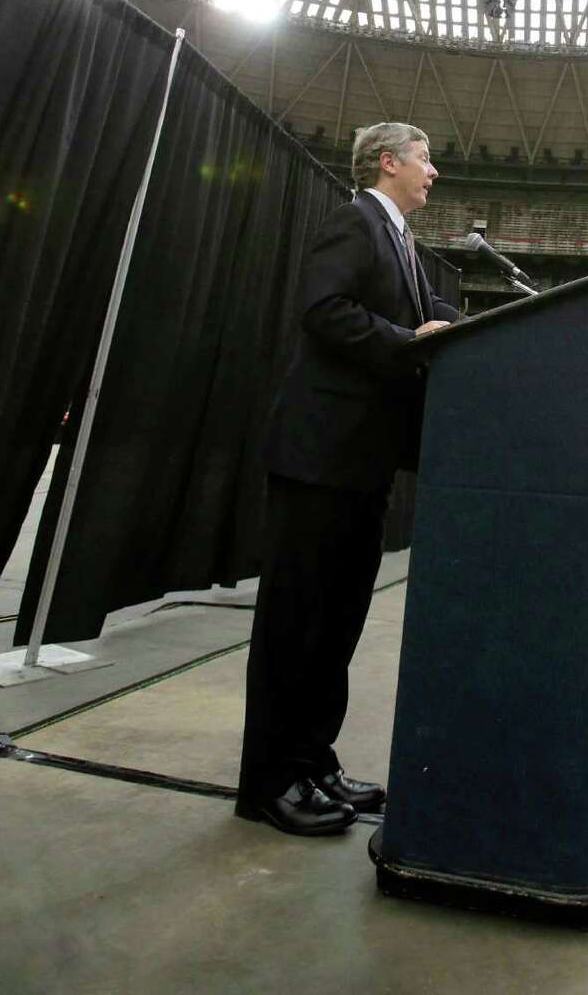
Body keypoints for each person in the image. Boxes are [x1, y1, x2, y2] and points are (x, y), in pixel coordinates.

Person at [236, 122, 457, 836]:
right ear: (388, 162)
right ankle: (269, 783)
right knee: (295, 628)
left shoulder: (404, 243)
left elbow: (415, 320)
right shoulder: (354, 221)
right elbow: (324, 311)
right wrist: (407, 340)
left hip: (362, 467)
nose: (433, 173)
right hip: (318, 459)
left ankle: (313, 762)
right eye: (425, 160)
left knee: (335, 629)